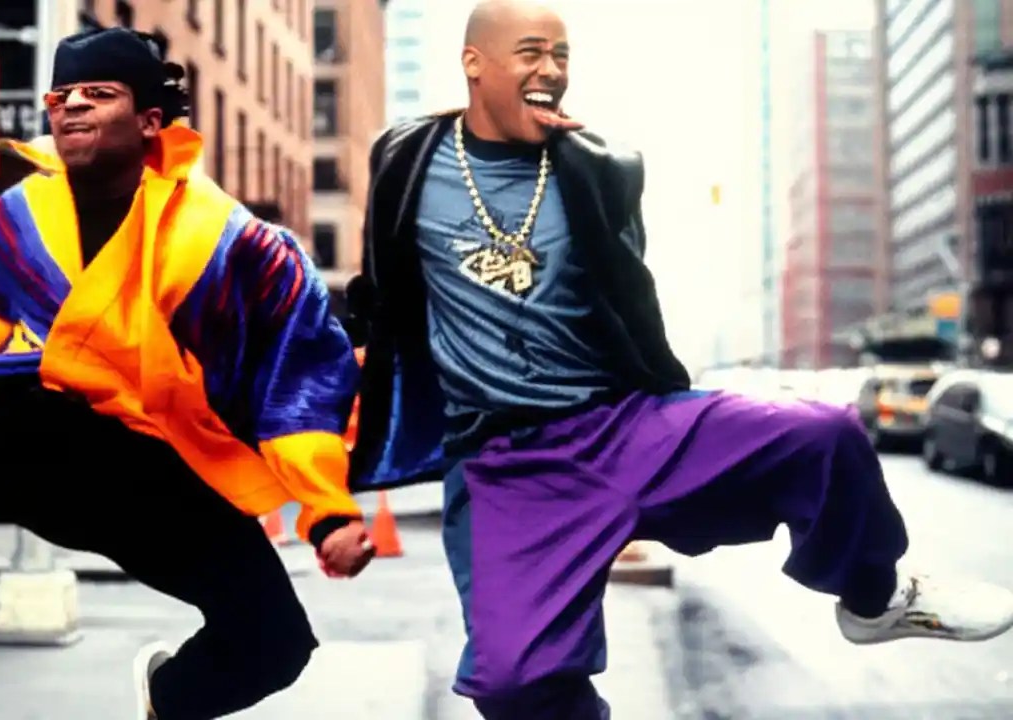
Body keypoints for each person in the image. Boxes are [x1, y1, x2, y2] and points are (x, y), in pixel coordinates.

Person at [342, 1, 1013, 718]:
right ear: (474, 64)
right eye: (530, 53)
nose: (551, 71)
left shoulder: (600, 169)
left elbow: (628, 299)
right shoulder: (405, 162)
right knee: (513, 683)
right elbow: (378, 294)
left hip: (623, 427)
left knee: (825, 435)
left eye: (562, 56)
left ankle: (876, 599)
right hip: (505, 464)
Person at [0, 27, 373, 720]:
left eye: (98, 93)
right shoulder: (20, 217)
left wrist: (326, 511)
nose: (73, 106)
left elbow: (297, 375)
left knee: (275, 645)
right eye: (61, 96)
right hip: (56, 448)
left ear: (149, 121)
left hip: (169, 473)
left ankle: (168, 699)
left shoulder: (224, 238)